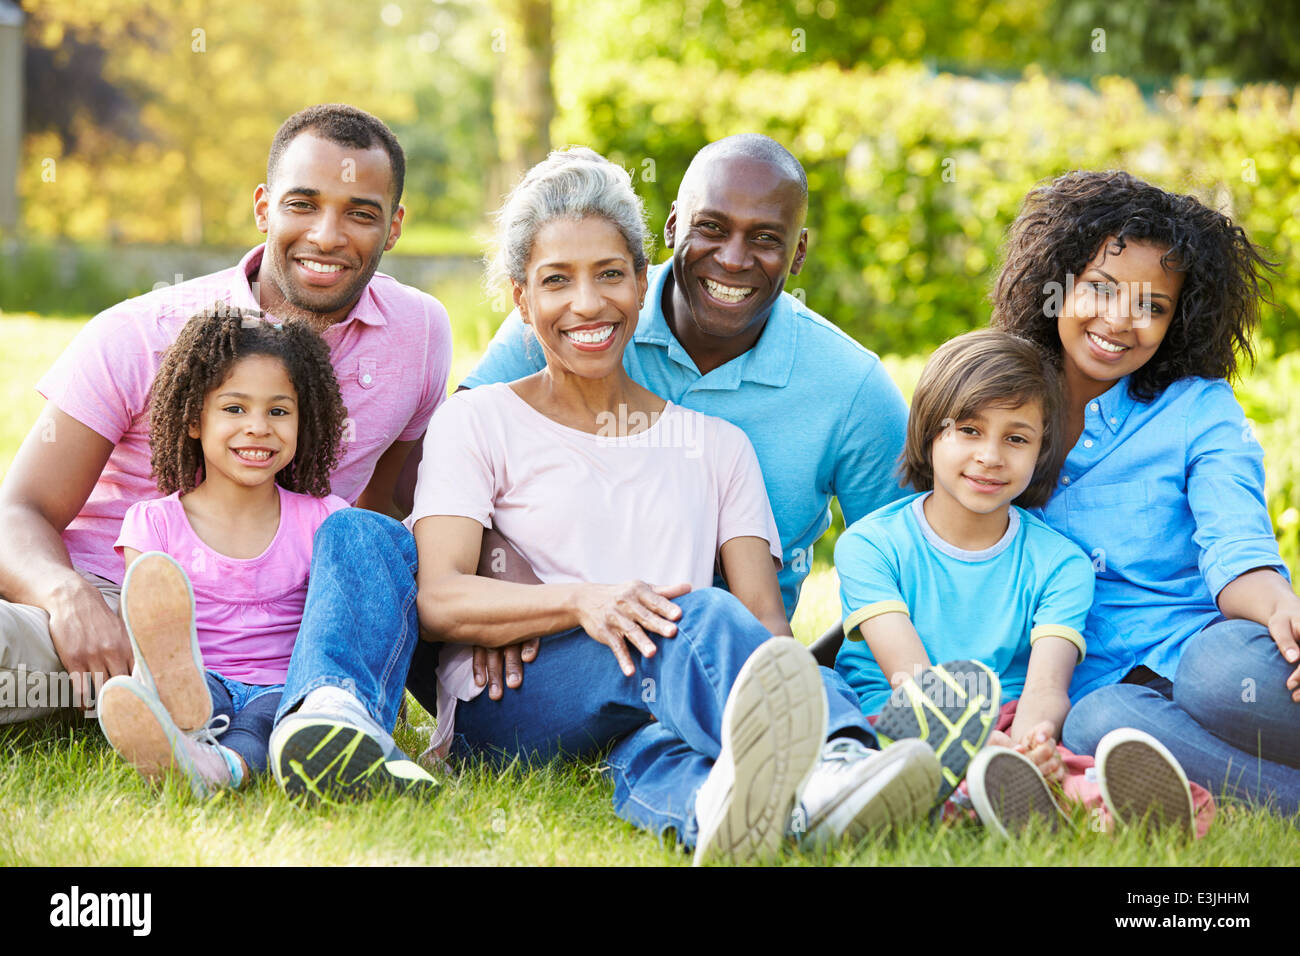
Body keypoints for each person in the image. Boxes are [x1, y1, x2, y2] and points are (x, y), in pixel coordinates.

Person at [268, 147, 941, 862]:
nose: (587, 304)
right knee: (691, 620)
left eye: (610, 275)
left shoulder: (720, 447)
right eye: (557, 281)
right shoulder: (480, 420)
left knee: (660, 743)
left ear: (641, 283)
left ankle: (742, 806)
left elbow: (767, 624)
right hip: (516, 697)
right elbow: (437, 597)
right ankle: (837, 759)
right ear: (522, 301)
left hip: (653, 689)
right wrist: (580, 602)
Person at [0, 104, 452, 728]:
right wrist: (65, 596)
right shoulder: (142, 333)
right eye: (303, 204)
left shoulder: (419, 332)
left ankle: (312, 715)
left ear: (394, 226)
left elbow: (385, 512)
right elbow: (17, 511)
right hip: (118, 606)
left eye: (360, 213)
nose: (327, 235)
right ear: (264, 207)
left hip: (285, 629)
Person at [461, 135, 909, 697]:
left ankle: (842, 756)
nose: (733, 258)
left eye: (766, 238)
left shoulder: (852, 388)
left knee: (704, 677)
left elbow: (909, 562)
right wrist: (505, 584)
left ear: (798, 253)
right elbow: (445, 469)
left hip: (726, 651)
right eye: (713, 228)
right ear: (673, 227)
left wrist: (820, 672)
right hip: (564, 639)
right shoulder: (582, 317)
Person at [992, 169, 1300, 815]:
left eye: (1151, 306)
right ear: (1057, 286)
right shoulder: (999, 420)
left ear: (1176, 319)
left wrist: (1281, 609)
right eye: (1100, 289)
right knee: (1096, 722)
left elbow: (1235, 543)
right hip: (1111, 689)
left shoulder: (1198, 410)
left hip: (1212, 661)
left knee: (1215, 672)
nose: (1119, 322)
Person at [834, 329, 1213, 836]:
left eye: (1016, 438)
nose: (991, 456)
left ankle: (1103, 806)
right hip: (901, 718)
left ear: (1042, 450)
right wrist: (976, 743)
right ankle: (975, 795)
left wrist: (1031, 742)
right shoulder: (870, 546)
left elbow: (1046, 685)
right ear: (929, 431)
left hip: (1009, 721)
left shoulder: (1060, 563)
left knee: (1062, 764)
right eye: (969, 430)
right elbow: (911, 676)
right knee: (893, 765)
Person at [98, 308, 350, 796]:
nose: (258, 427)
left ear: (304, 421)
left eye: (278, 411)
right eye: (234, 409)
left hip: (283, 684)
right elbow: (142, 624)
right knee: (196, 695)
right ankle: (172, 711)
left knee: (264, 727)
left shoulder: (324, 519)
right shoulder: (154, 524)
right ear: (194, 420)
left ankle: (217, 766)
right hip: (201, 674)